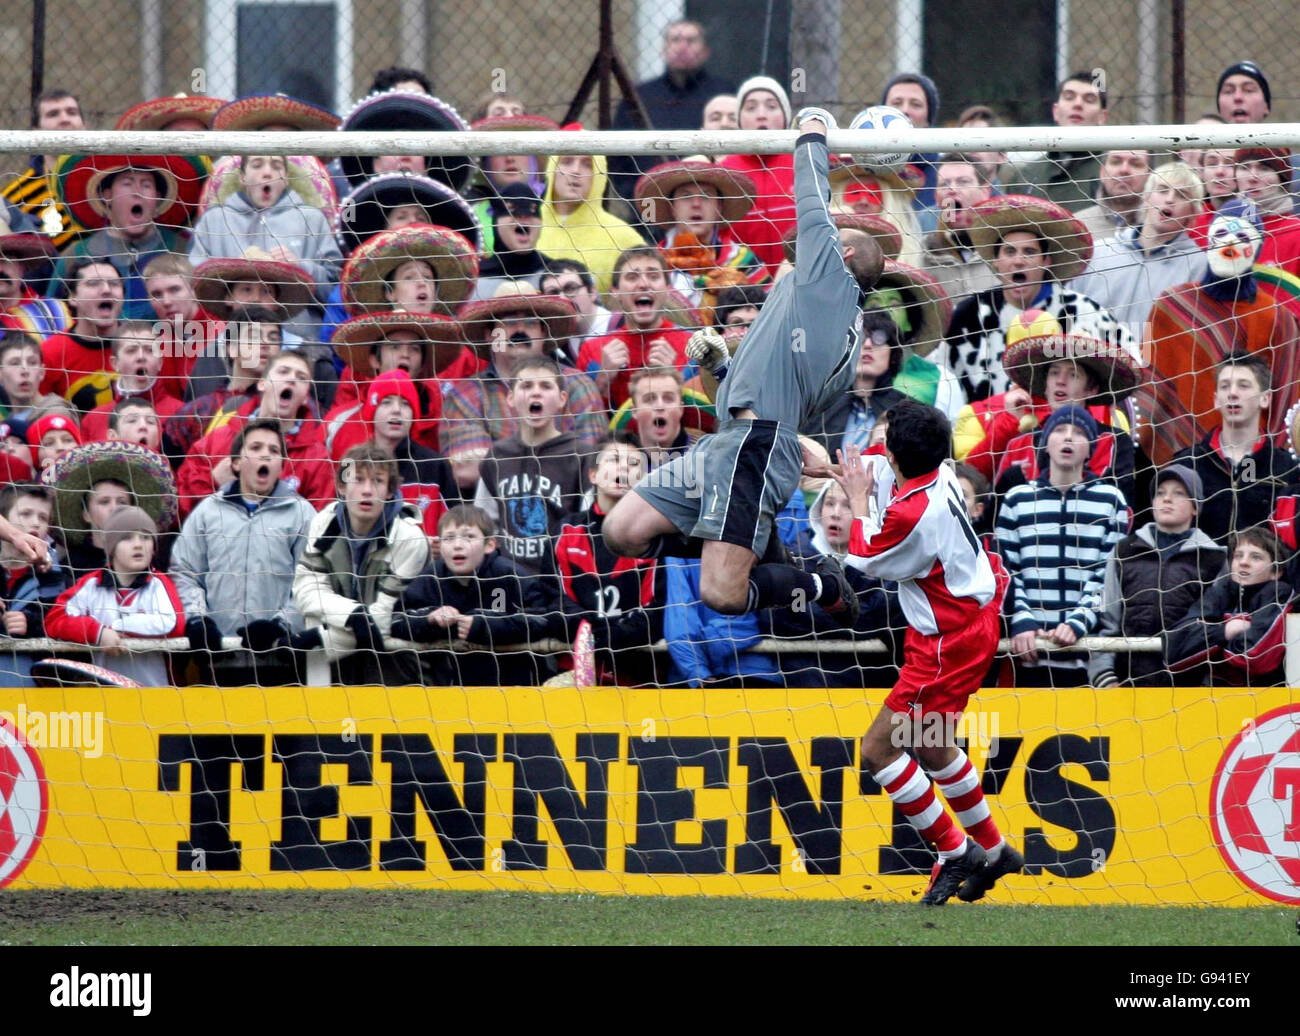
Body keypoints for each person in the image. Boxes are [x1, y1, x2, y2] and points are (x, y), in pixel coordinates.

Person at [602, 106, 882, 623]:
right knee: (622, 532)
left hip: (752, 448)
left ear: (841, 253)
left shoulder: (830, 285)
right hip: (729, 439)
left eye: (828, 241)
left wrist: (812, 134)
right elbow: (770, 390)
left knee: (722, 595)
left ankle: (818, 582)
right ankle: (750, 544)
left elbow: (813, 202)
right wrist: (724, 369)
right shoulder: (816, 310)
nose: (813, 244)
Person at [831, 399, 1017, 905]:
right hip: (968, 624)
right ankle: (997, 851)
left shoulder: (915, 512)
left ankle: (955, 851)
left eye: (885, 435)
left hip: (946, 645)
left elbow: (865, 555)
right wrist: (828, 464)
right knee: (933, 744)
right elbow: (875, 467)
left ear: (895, 454)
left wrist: (854, 500)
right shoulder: (937, 474)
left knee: (878, 749)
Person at [1139, 198, 1300, 465]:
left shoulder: (1277, 317)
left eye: (1242, 236)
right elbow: (1148, 380)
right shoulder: (1171, 306)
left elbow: (1286, 397)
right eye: (1222, 233)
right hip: (1173, 463)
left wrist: (1267, 465)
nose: (1230, 243)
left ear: (1257, 249)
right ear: (1208, 239)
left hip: (1247, 463)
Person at [170, 418, 318, 685]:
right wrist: (198, 620)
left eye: (274, 451)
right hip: (219, 660)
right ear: (236, 463)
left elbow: (313, 579)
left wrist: (282, 625)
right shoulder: (207, 512)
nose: (265, 454)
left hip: (282, 662)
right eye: (256, 447)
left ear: (281, 466)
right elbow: (184, 571)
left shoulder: (302, 514)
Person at [994, 404, 1131, 687]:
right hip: (1026, 650)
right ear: (1045, 443)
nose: (1068, 437)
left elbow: (1106, 575)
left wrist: (1077, 623)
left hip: (1085, 651)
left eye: (1079, 433)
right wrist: (1022, 620)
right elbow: (1007, 571)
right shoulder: (1016, 499)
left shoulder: (1111, 500)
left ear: (1091, 448)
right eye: (1059, 430)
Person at [947, 193, 1131, 403]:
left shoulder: (1086, 314)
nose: (1018, 261)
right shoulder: (965, 316)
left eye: (1029, 252)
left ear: (1046, 261)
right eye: (1009, 252)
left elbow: (1127, 376)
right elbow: (948, 389)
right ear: (995, 261)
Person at [441, 284, 603, 491]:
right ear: (489, 335)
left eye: (530, 322)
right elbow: (466, 471)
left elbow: (593, 464)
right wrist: (556, 461)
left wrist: (504, 460)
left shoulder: (578, 386)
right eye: (508, 322)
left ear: (543, 332)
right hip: (492, 519)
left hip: (572, 515)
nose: (520, 329)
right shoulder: (465, 395)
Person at [292, 443, 430, 684]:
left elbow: (384, 621)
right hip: (334, 665)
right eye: (358, 480)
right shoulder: (324, 523)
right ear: (342, 487)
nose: (367, 490)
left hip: (398, 665)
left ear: (389, 491)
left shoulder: (410, 538)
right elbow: (306, 592)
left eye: (377, 481)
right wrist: (352, 614)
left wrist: (321, 639)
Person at [1089, 466, 1226, 688]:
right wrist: (1104, 676)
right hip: (1126, 684)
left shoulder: (1215, 558)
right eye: (1160, 493)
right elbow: (1107, 619)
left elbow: (1216, 627)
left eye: (1178, 493)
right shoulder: (1124, 550)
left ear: (1195, 507)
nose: (1167, 499)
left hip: (1190, 689)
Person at [392, 504, 556, 686]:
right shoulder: (431, 578)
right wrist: (430, 619)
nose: (457, 545)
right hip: (451, 691)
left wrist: (484, 626)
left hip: (515, 688)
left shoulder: (510, 574)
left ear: (490, 545)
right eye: (449, 538)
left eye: (469, 537)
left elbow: (543, 620)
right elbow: (397, 621)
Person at [555, 439, 664, 686]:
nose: (624, 468)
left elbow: (661, 607)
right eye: (614, 460)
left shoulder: (657, 537)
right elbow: (553, 597)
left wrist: (617, 634)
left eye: (634, 463)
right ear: (593, 475)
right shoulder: (565, 532)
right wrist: (586, 628)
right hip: (574, 671)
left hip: (641, 675)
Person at [177, 349, 335, 519]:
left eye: (301, 378)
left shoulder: (317, 458)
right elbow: (182, 507)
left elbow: (319, 523)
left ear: (306, 397)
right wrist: (213, 482)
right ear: (262, 384)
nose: (291, 379)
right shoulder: (218, 439)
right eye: (283, 371)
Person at [51, 153, 208, 321]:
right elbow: (55, 314)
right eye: (127, 184)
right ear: (107, 195)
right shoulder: (76, 254)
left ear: (158, 197)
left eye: (146, 185)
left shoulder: (185, 249)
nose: (138, 193)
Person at [473, 355, 586, 587]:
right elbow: (484, 523)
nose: (536, 393)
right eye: (526, 386)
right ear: (511, 399)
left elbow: (590, 527)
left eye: (545, 386)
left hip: (562, 583)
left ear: (562, 399)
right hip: (509, 582)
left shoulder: (582, 455)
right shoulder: (497, 456)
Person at [45, 506, 185, 687]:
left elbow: (174, 625)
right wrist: (97, 632)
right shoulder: (91, 584)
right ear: (111, 547)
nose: (138, 544)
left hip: (156, 692)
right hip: (104, 694)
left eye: (145, 537)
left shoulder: (160, 583)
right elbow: (55, 619)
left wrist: (118, 627)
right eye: (127, 538)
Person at [1171, 352, 1300, 544]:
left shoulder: (1286, 469)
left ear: (1265, 398)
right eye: (1225, 386)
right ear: (1215, 399)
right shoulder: (1187, 462)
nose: (1232, 393)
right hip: (1197, 572)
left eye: (1243, 385)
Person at [1069, 161, 1207, 330]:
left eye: (1182, 195)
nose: (1170, 199)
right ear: (1146, 198)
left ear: (1193, 212)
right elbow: (1068, 310)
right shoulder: (1100, 251)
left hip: (1152, 355)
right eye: (1163, 190)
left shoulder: (1198, 266)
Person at [608, 20, 736, 201]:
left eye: (691, 40)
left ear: (706, 51)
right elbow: (617, 156)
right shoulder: (639, 97)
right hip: (649, 206)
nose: (682, 47)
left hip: (708, 202)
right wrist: (637, 196)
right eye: (675, 40)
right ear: (663, 49)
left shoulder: (724, 93)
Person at [188, 154, 342, 297]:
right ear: (242, 178)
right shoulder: (213, 220)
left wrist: (300, 266)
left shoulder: (313, 219)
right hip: (231, 324)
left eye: (276, 166)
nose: (267, 173)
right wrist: (232, 273)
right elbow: (193, 286)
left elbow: (334, 291)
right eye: (257, 165)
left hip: (298, 323)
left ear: (286, 179)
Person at [633, 159, 767, 320]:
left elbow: (767, 322)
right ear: (672, 208)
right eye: (686, 196)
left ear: (719, 208)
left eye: (706, 196)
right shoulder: (652, 265)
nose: (696, 204)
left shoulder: (747, 263)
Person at [1166, 525, 1294, 685]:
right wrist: (1225, 630)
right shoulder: (1218, 593)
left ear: (1276, 572)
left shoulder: (1279, 594)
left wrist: (1209, 645)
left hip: (1266, 700)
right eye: (1238, 555)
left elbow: (1252, 657)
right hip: (1209, 699)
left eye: (1256, 557)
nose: (1244, 563)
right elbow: (1174, 652)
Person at [576, 246, 692, 409]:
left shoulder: (693, 346)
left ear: (667, 289)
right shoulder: (592, 350)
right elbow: (580, 422)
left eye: (653, 276)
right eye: (632, 277)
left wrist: (674, 377)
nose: (644, 284)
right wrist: (603, 380)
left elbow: (706, 419)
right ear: (615, 291)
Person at [47, 440, 178, 581]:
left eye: (122, 502)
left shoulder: (152, 561)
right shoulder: (69, 568)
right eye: (104, 502)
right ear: (86, 514)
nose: (114, 508)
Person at [536, 148, 646, 296]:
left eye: (587, 165)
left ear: (600, 176)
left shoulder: (623, 237)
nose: (575, 171)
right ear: (551, 169)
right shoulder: (525, 225)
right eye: (567, 161)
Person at [717, 77, 796, 275]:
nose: (761, 115)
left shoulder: (805, 160)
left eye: (771, 106)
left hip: (802, 277)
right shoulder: (724, 171)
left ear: (786, 116)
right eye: (751, 108)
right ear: (740, 120)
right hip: (743, 284)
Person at [0, 89, 88, 250]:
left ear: (84, 125)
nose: (64, 119)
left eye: (72, 112)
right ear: (36, 131)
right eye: (53, 114)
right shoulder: (15, 196)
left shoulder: (107, 179)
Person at [0, 484, 66, 688]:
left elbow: (57, 615)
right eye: (26, 514)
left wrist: (30, 622)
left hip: (29, 676)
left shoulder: (51, 571)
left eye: (43, 517)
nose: (35, 523)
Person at [39, 259, 125, 412]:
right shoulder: (49, 353)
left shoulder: (144, 344)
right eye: (93, 283)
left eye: (114, 284)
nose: (106, 290)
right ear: (72, 297)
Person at [78, 322, 184, 444]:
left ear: (160, 362)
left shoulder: (181, 414)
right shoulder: (93, 419)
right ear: (115, 363)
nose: (140, 357)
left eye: (149, 350)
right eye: (131, 351)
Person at [1017, 72, 1109, 212]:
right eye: (1069, 97)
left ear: (1102, 116)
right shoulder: (1027, 175)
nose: (1078, 104)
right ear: (1055, 111)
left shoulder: (1112, 170)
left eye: (1089, 100)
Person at [1216, 61, 1297, 209]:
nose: (1238, 97)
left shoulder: (1295, 168)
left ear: (1266, 105)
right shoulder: (1202, 168)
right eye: (1228, 91)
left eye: (1248, 90)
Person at [923, 154, 998, 306]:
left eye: (963, 182)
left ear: (985, 191)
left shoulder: (1007, 247)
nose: (952, 189)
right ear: (937, 197)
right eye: (944, 184)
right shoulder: (922, 254)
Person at [880, 72, 942, 233]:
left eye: (916, 104)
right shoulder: (858, 170)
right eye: (897, 103)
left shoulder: (947, 175)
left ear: (929, 118)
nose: (905, 110)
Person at [469, 183, 550, 300]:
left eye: (532, 209)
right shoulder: (472, 283)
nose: (523, 216)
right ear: (496, 222)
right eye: (511, 209)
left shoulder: (557, 275)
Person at [539, 258, 615, 362]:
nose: (563, 299)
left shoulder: (622, 325)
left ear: (592, 292)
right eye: (553, 293)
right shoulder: (553, 347)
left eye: (570, 288)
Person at [1073, 150, 1152, 245]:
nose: (1124, 170)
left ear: (1150, 176)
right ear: (1102, 173)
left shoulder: (1162, 226)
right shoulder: (1076, 225)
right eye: (1116, 162)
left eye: (1135, 164)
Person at [0, 329, 73, 424]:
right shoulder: (7, 425)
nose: (25, 370)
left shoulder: (56, 415)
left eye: (32, 363)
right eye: (15, 363)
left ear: (42, 372)